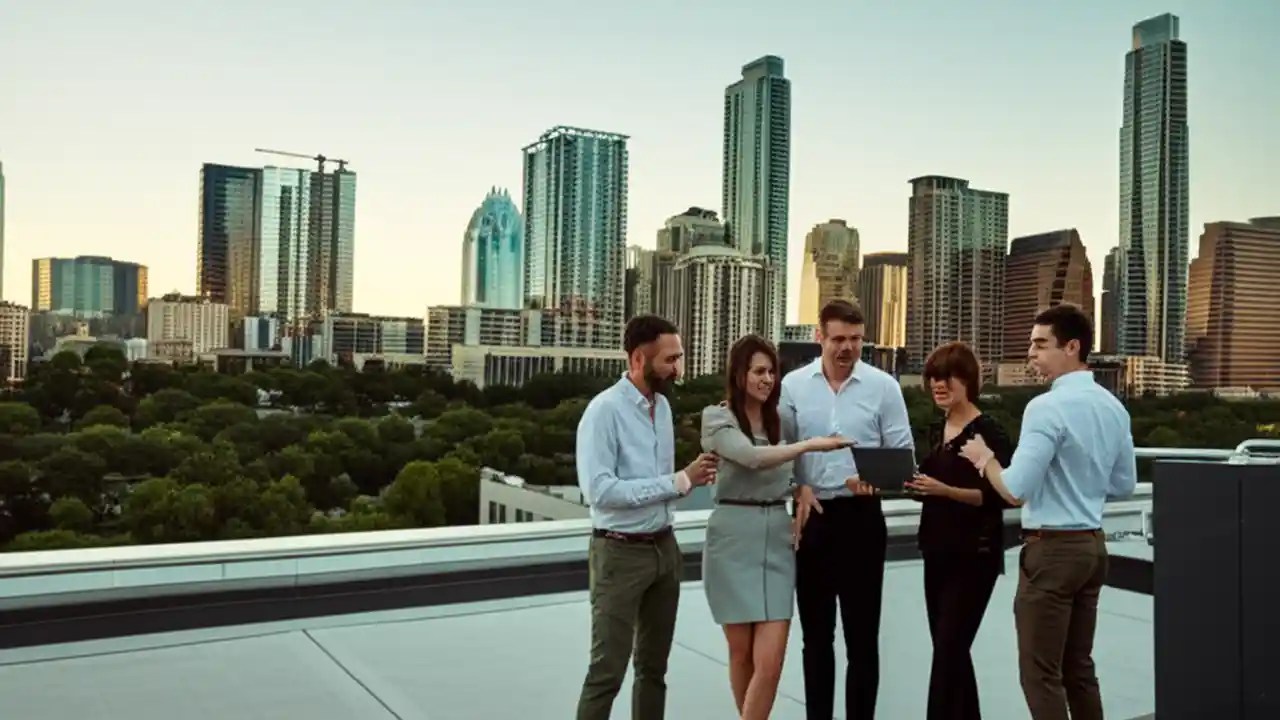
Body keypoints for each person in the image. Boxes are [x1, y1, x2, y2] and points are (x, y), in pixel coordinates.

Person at [958, 303, 1137, 720]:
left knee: (1040, 673)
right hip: (1092, 548)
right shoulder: (1114, 407)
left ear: (1072, 347)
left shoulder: (1046, 408)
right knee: (1079, 669)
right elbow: (1124, 484)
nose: (1031, 355)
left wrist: (985, 459)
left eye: (1041, 344)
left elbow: (1015, 489)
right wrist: (1079, 485)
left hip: (1053, 552)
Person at [701, 334, 853, 720]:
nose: (767, 379)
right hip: (733, 538)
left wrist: (802, 486)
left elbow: (790, 470)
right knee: (741, 654)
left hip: (779, 537)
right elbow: (751, 458)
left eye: (772, 371)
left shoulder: (783, 420)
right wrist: (809, 446)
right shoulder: (717, 418)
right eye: (758, 371)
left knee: (771, 660)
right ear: (739, 374)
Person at [574, 314, 718, 720]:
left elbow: (664, 482)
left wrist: (691, 477)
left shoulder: (664, 408)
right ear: (639, 358)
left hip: (664, 549)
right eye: (671, 359)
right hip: (619, 555)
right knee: (606, 673)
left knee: (653, 670)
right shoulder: (603, 412)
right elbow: (598, 491)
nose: (679, 368)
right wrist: (678, 481)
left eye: (680, 357)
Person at [780, 299, 914, 720]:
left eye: (855, 340)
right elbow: (780, 452)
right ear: (819, 336)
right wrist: (797, 485)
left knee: (862, 639)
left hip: (862, 517)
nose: (847, 348)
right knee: (816, 639)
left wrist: (880, 481)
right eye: (838, 339)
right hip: (812, 516)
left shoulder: (884, 387)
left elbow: (902, 455)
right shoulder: (793, 386)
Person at [904, 342, 1016, 720]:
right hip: (936, 552)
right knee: (951, 652)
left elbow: (1000, 496)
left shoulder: (988, 432)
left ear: (967, 380)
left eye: (946, 377)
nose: (938, 384)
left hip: (974, 556)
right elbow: (928, 488)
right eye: (933, 377)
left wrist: (945, 491)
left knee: (948, 652)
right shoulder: (938, 430)